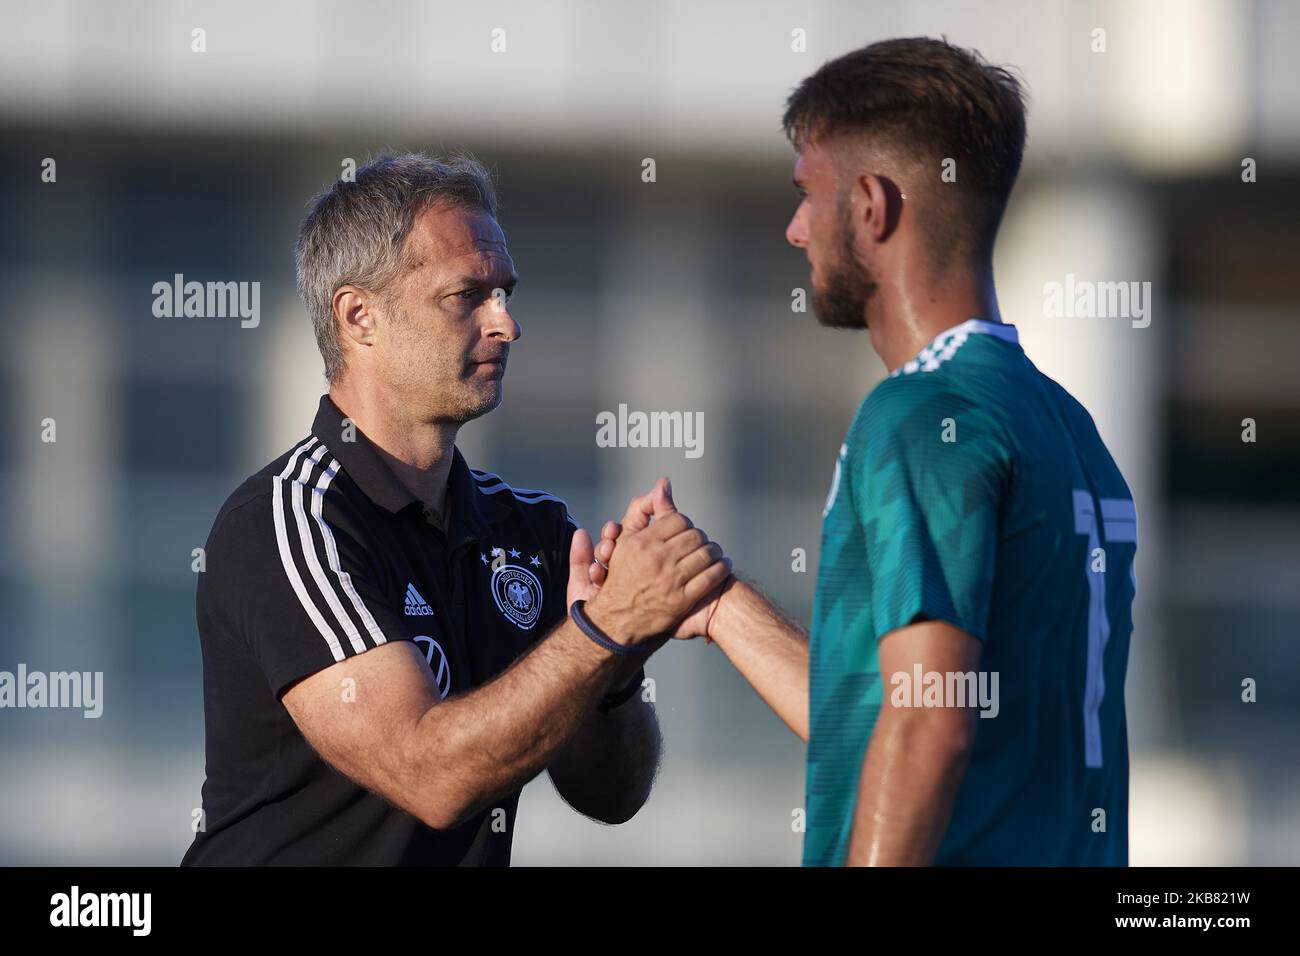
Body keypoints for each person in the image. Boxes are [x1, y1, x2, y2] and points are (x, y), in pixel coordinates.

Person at [597, 37, 1137, 866]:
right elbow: (891, 715)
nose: (794, 229)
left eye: (809, 196)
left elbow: (928, 725)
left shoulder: (919, 413)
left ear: (872, 207)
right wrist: (719, 603)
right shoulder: (1067, 424)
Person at [181, 154, 731, 865]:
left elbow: (612, 795)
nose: (507, 324)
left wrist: (616, 664)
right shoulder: (287, 520)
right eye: (466, 295)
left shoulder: (534, 532)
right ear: (360, 318)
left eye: (505, 292)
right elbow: (429, 774)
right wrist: (607, 628)